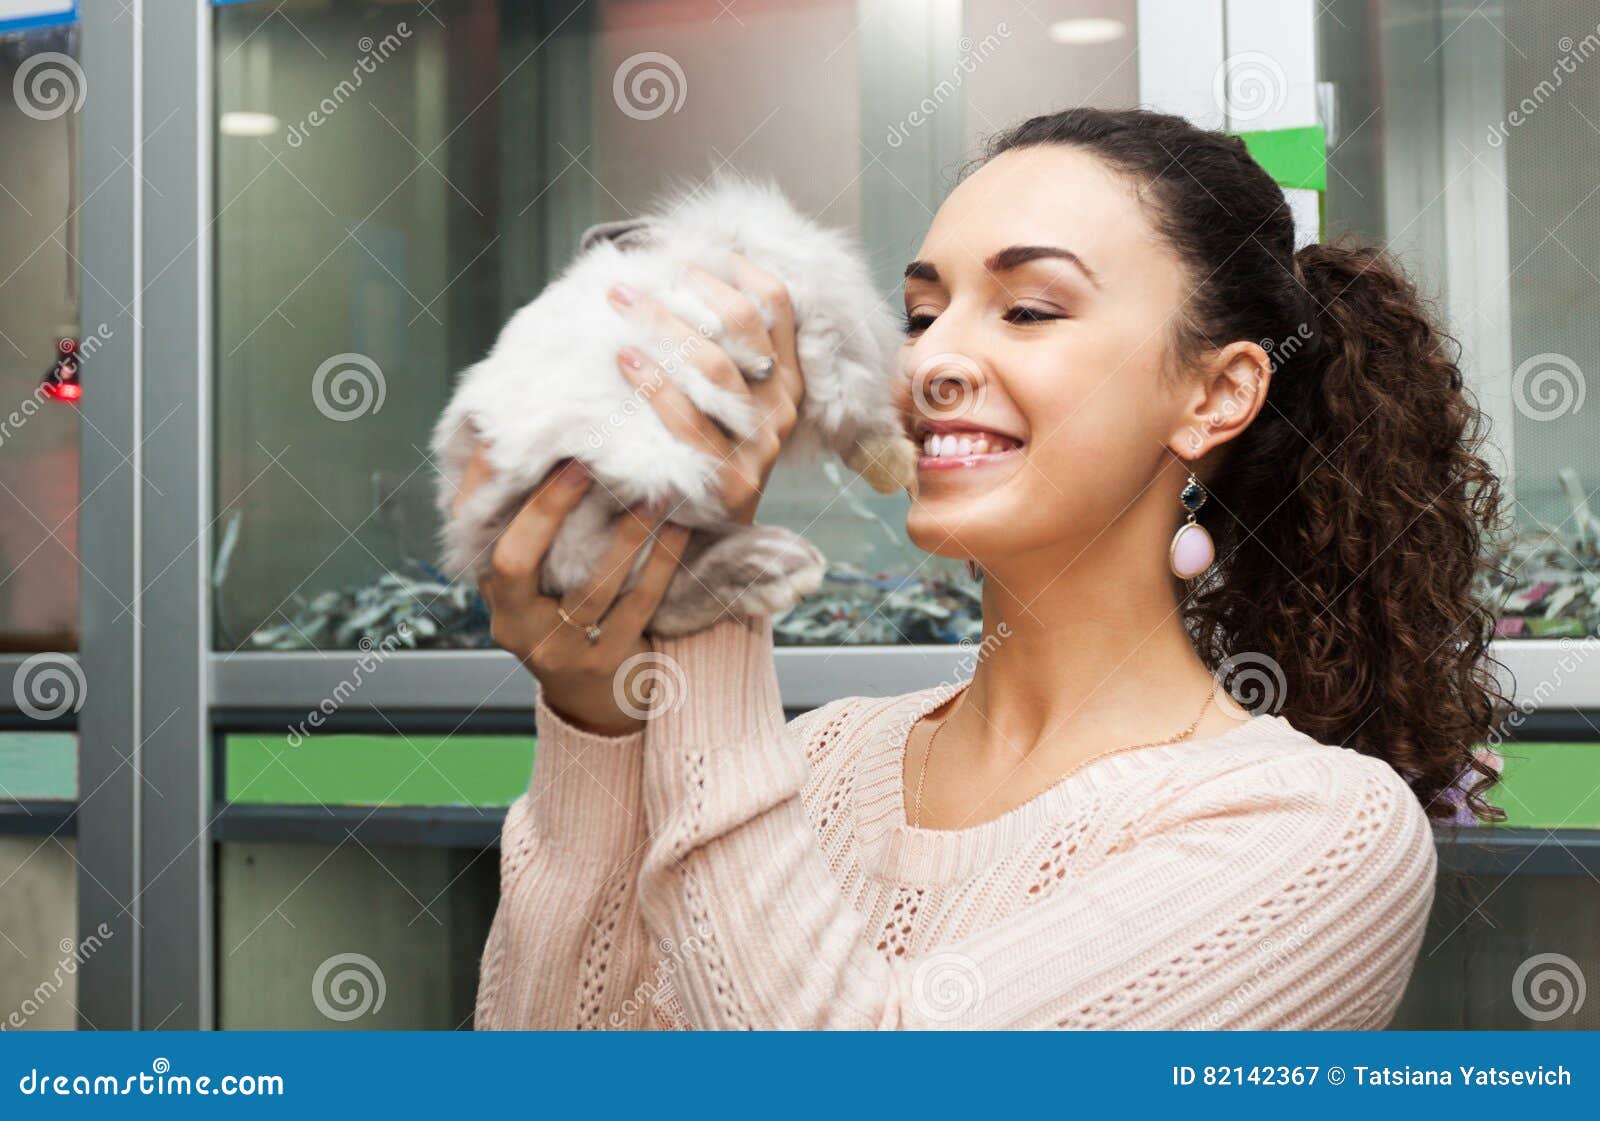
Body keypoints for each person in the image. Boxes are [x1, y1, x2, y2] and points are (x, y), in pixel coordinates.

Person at [465, 107, 1508, 1030]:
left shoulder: (1314, 830)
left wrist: (711, 587)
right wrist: (597, 722)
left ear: (1215, 393)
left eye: (1028, 308)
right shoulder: (815, 759)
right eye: (921, 314)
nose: (926, 362)